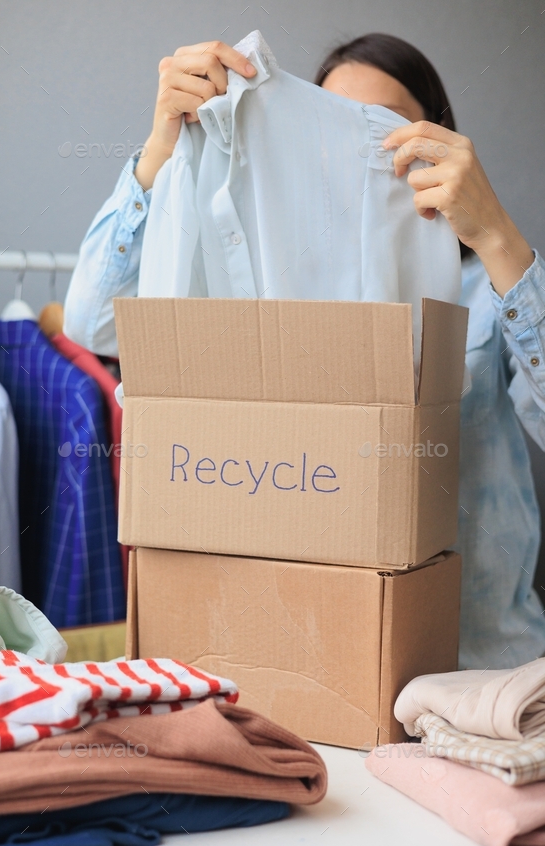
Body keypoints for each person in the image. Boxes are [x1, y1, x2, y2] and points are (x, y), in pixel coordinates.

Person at [64, 33, 545, 670]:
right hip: (328, 673)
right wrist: (159, 153)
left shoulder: (490, 293)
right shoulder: (277, 299)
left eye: (383, 130)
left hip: (488, 677)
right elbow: (95, 322)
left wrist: (499, 239)